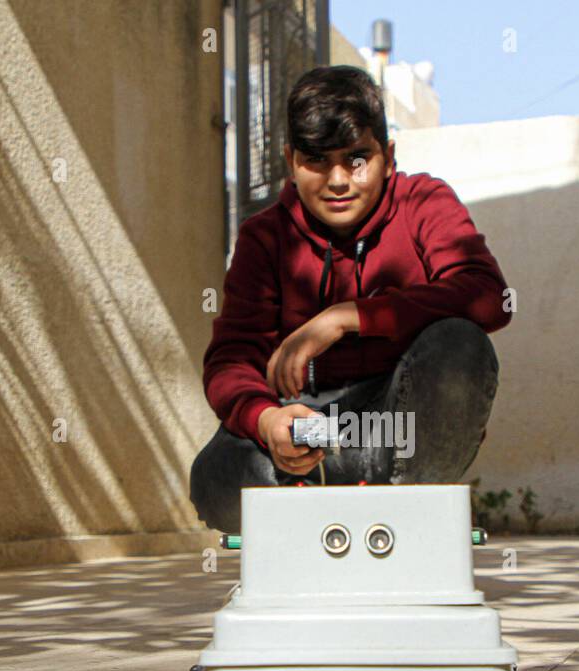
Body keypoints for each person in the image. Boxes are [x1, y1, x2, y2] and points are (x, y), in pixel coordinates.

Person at [190, 65, 512, 533]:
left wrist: (349, 316)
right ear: (290, 161)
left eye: (357, 158)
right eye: (317, 160)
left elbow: (489, 297)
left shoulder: (425, 202)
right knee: (216, 481)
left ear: (389, 155)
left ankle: (405, 505)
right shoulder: (264, 238)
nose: (338, 179)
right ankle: (327, 493)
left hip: (393, 426)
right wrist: (267, 422)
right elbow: (230, 360)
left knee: (461, 343)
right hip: (306, 427)